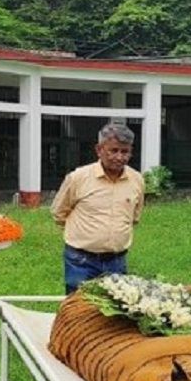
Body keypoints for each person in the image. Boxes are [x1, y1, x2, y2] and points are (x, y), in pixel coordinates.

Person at [51, 122, 145, 293]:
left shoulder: (136, 180)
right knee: (79, 311)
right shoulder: (78, 178)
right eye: (113, 150)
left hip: (117, 261)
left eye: (125, 152)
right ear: (99, 149)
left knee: (114, 313)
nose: (119, 157)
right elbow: (59, 212)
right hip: (81, 260)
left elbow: (134, 217)